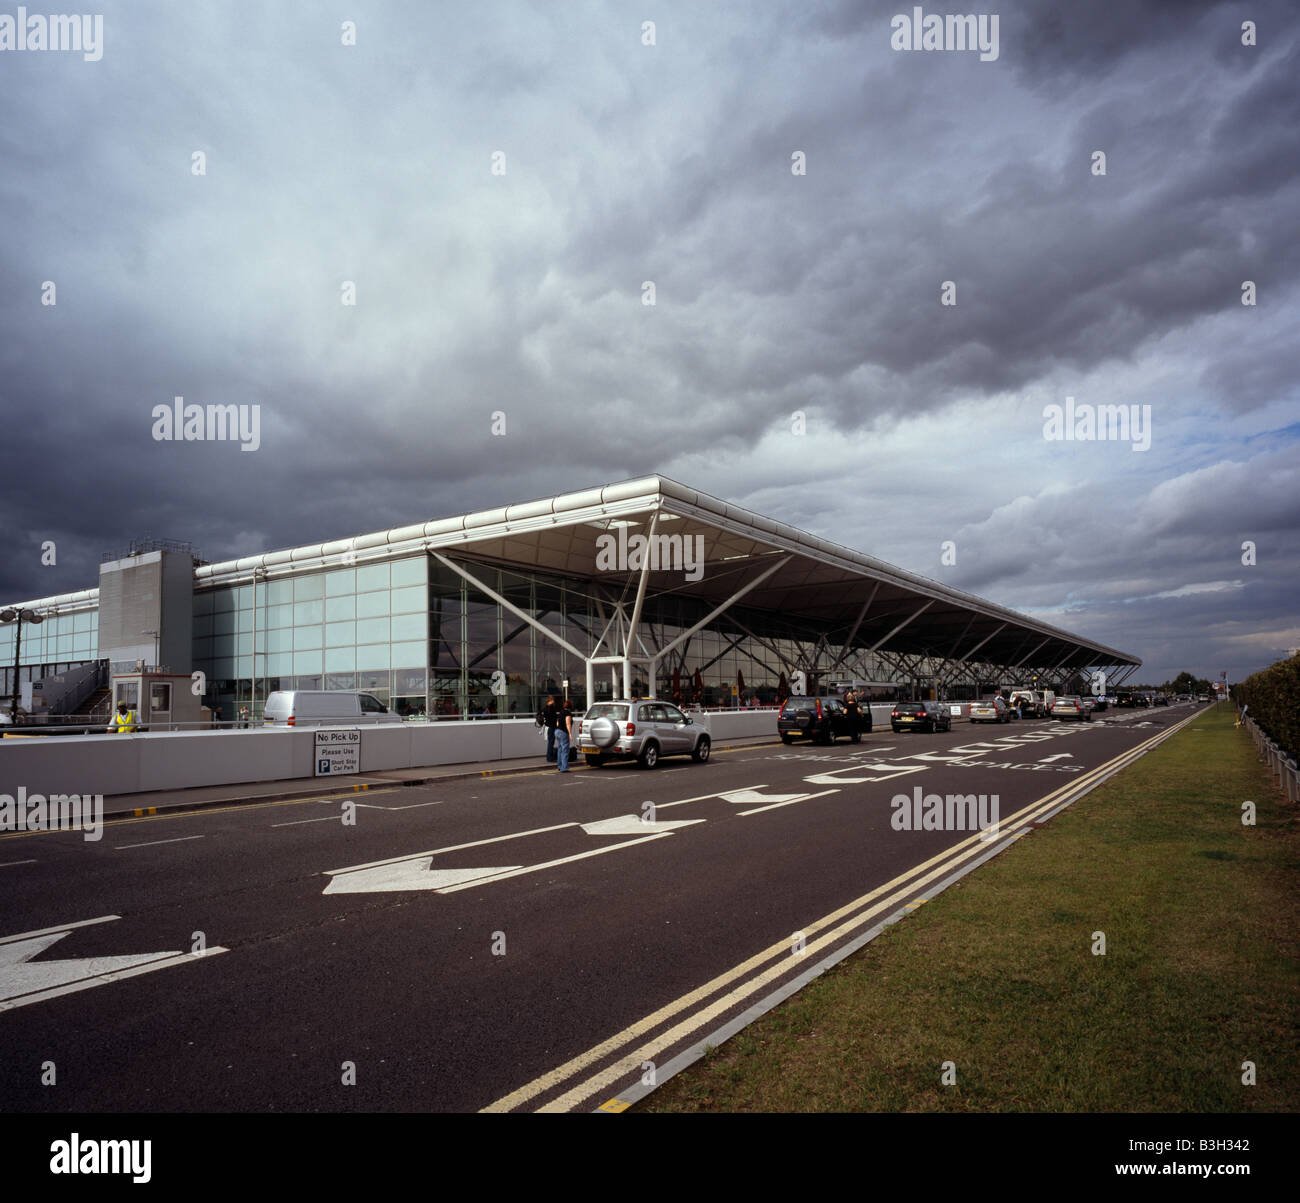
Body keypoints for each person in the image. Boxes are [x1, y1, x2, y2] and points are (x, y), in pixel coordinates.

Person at [536, 694, 560, 762]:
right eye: (553, 700)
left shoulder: (545, 708)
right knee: (551, 743)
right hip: (552, 727)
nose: (553, 701)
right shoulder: (551, 708)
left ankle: (549, 757)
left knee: (550, 742)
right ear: (551, 700)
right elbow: (554, 718)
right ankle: (550, 758)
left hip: (548, 727)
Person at [556, 699, 573, 772]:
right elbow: (568, 724)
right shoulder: (568, 713)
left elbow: (557, 723)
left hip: (557, 731)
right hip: (563, 732)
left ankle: (559, 766)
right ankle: (564, 768)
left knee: (560, 749)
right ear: (570, 706)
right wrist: (570, 734)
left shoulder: (561, 712)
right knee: (565, 750)